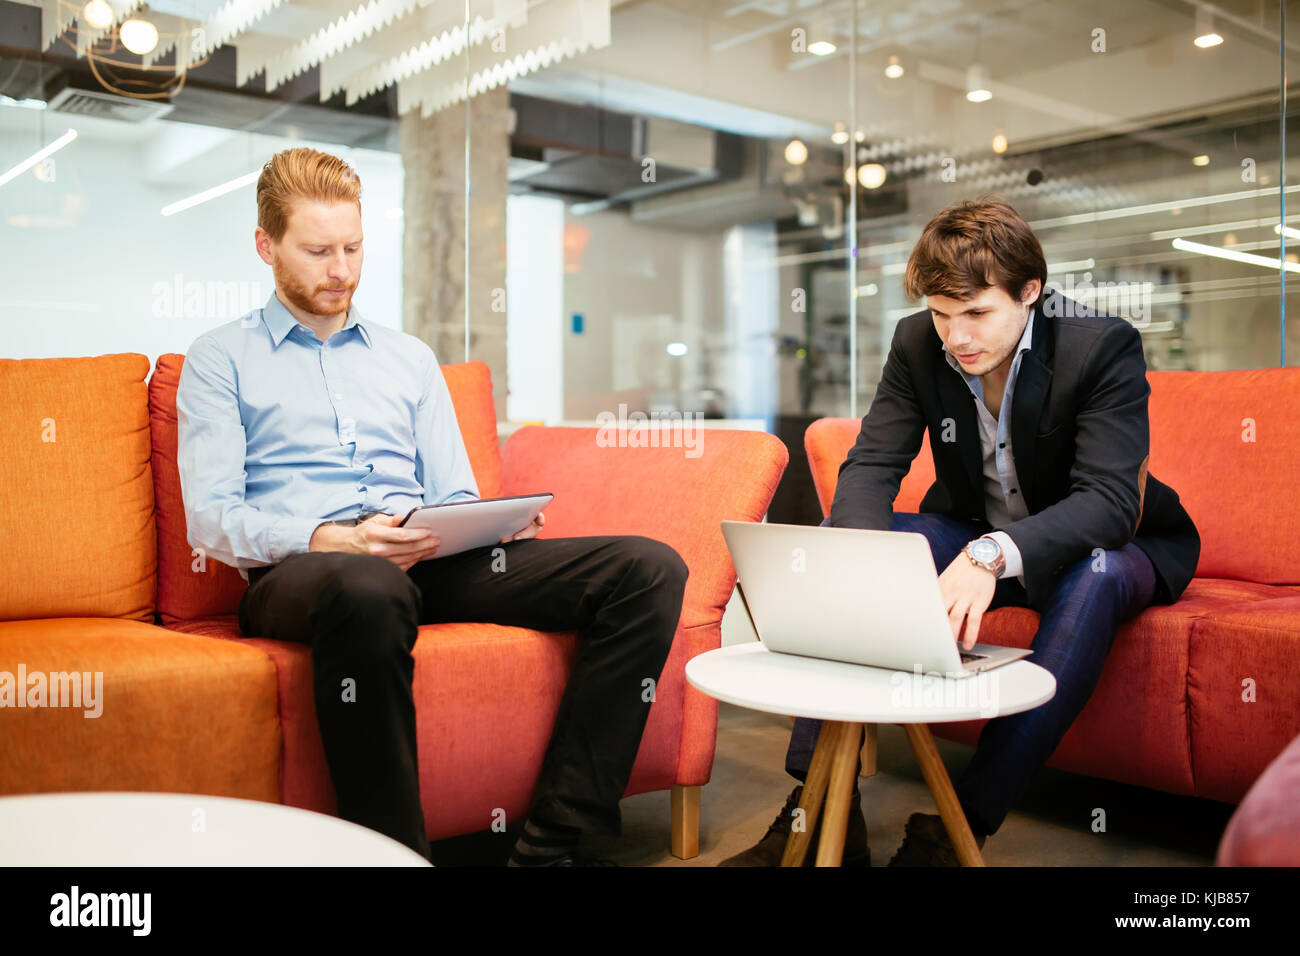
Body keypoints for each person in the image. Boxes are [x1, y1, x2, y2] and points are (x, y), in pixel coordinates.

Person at [176, 147, 688, 866]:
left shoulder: (408, 358)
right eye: (318, 251)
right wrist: (335, 538)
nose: (342, 271)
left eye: (353, 248)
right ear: (266, 246)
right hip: (305, 573)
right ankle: (391, 857)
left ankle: (555, 839)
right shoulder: (219, 359)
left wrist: (493, 523)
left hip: (424, 559)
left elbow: (451, 494)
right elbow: (214, 517)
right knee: (367, 583)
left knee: (647, 568)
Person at [722, 196, 1200, 866]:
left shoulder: (1099, 345)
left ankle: (959, 827)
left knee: (1096, 578)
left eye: (977, 312)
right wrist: (857, 563)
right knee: (844, 536)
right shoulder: (918, 342)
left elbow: (1109, 502)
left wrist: (989, 556)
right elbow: (875, 461)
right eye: (944, 315)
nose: (957, 336)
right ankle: (822, 811)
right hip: (974, 525)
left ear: (1030, 292)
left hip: (1105, 543)